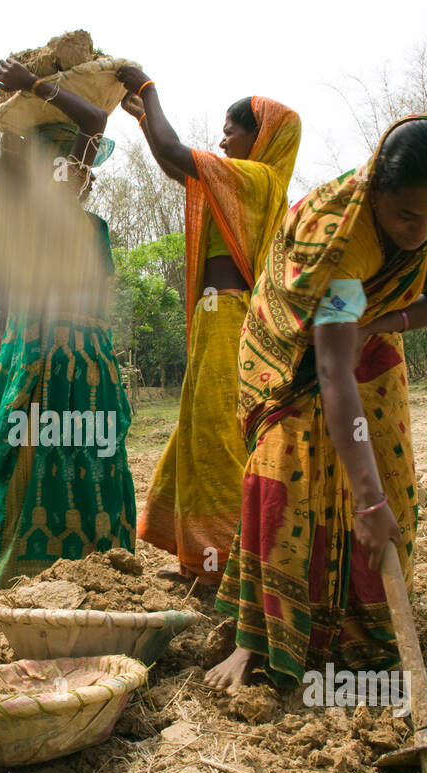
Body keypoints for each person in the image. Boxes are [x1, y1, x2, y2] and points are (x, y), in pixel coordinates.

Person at [205, 116, 427, 693]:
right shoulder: (338, 236)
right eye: (407, 215)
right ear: (377, 190)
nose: (424, 230)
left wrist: (380, 322)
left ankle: (368, 632)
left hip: (371, 329)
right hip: (290, 346)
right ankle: (256, 639)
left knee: (391, 479)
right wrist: (365, 500)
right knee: (286, 474)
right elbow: (330, 372)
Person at [0, 58, 137, 608]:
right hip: (66, 367)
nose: (86, 176)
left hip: (61, 364)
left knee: (40, 470)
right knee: (67, 468)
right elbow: (96, 125)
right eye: (77, 166)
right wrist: (36, 86)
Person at [117, 68, 301, 592]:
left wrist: (150, 91)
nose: (224, 140)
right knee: (197, 429)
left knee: (219, 434)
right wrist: (145, 121)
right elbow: (178, 163)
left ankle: (226, 562)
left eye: (232, 131)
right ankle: (198, 559)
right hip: (214, 317)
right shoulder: (246, 184)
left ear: (260, 138)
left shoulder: (256, 179)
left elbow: (177, 155)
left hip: (229, 320)